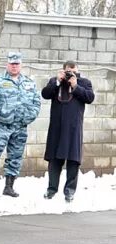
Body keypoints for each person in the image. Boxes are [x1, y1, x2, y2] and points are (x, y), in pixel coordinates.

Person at [0, 52, 41, 198]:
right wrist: (1, 115)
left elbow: (36, 103)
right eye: (12, 64)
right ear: (7, 64)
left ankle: (9, 187)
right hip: (2, 126)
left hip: (20, 126)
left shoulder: (28, 83)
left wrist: (27, 117)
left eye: (17, 64)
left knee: (15, 157)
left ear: (21, 65)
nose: (14, 66)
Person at [41, 60, 94, 202]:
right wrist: (57, 81)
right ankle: (51, 190)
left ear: (77, 70)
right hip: (56, 129)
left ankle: (69, 192)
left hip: (73, 129)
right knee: (54, 160)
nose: (71, 72)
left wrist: (75, 85)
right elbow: (45, 94)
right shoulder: (55, 81)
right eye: (68, 70)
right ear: (63, 70)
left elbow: (90, 98)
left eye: (73, 69)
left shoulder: (84, 82)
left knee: (73, 161)